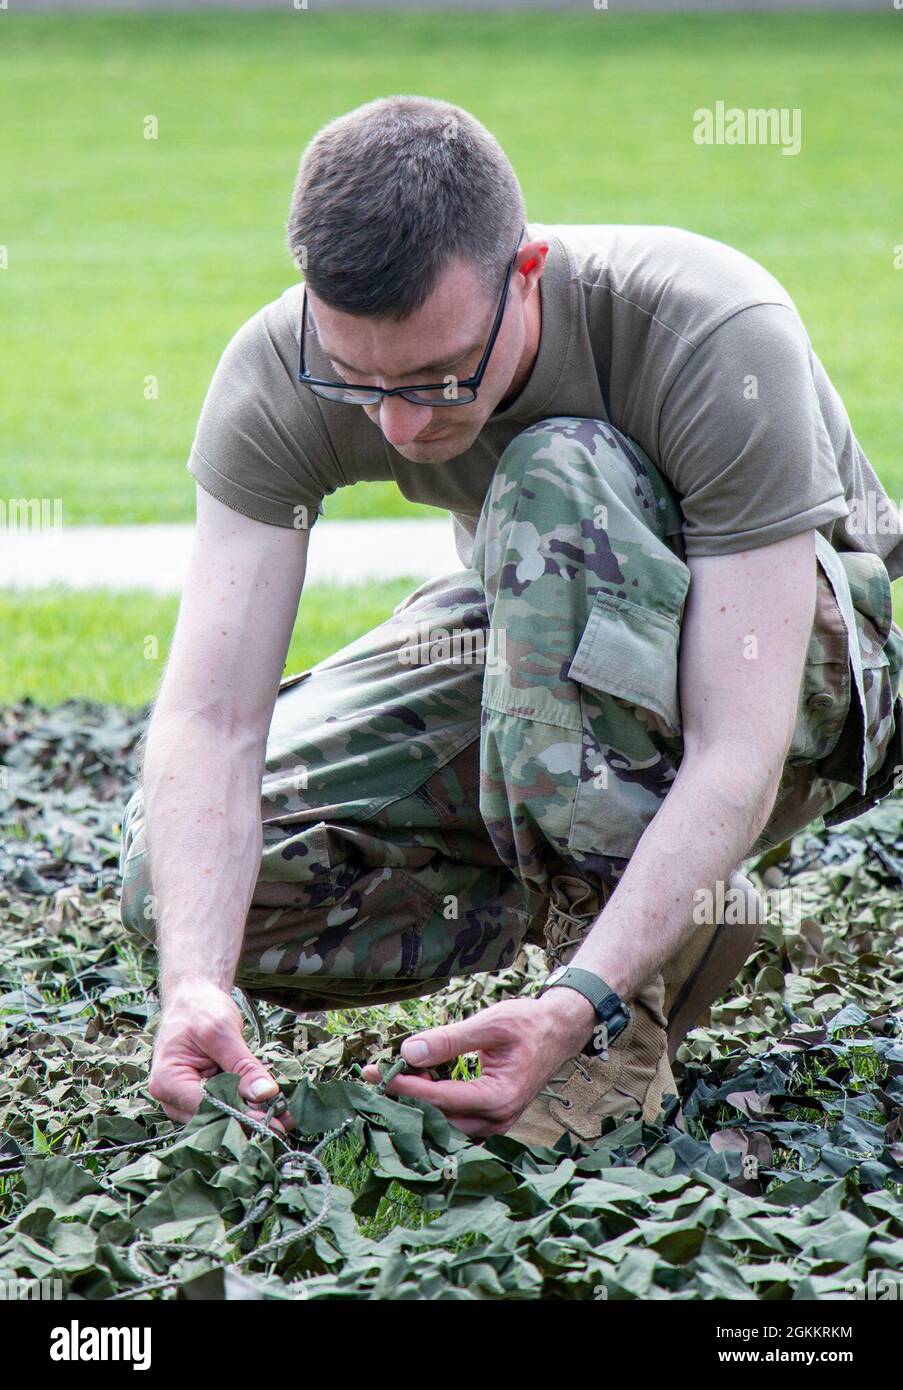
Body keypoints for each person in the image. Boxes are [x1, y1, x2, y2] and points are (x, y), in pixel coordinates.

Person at [119, 95, 903, 1147]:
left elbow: (737, 742)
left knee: (552, 478)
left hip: (824, 661)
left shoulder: (709, 327)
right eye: (356, 381)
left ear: (524, 273)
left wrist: (583, 999)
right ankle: (658, 912)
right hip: (567, 637)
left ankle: (614, 1013)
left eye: (438, 377)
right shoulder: (275, 373)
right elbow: (210, 719)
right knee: (180, 886)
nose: (397, 422)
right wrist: (195, 981)